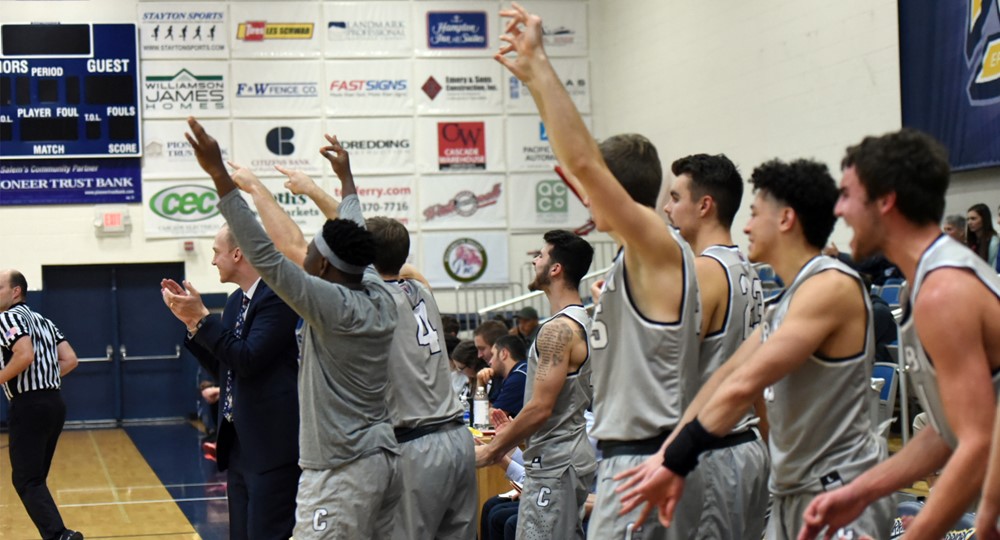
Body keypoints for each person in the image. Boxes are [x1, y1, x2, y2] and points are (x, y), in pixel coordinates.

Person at [495, 5, 705, 537]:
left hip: (649, 454)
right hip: (622, 455)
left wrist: (540, 66)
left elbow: (583, 163)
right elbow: (581, 165)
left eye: (594, 188)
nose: (584, 196)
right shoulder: (627, 258)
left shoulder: (659, 247)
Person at [616, 158, 891, 539]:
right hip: (794, 485)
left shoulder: (831, 285)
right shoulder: (786, 301)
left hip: (839, 487)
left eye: (754, 214)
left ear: (785, 220)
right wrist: (668, 454)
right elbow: (726, 373)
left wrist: (676, 459)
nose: (744, 226)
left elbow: (746, 382)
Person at [230, 138, 476, 540]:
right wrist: (327, 187)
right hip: (455, 439)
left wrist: (257, 190)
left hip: (411, 447)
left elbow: (292, 249)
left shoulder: (357, 304)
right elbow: (358, 239)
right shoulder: (420, 287)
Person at [185, 117, 401, 538]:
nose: (303, 250)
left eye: (311, 248)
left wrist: (220, 178)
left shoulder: (330, 304)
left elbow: (264, 253)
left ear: (322, 266)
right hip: (380, 455)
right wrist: (346, 179)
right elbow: (354, 230)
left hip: (341, 465)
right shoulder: (374, 287)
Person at [798, 129, 1000, 539]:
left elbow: (976, 445)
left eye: (847, 195)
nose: (838, 209)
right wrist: (860, 491)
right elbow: (948, 430)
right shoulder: (927, 281)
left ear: (885, 201)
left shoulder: (942, 291)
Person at [161, 224, 301, 540]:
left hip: (271, 446)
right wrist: (193, 326)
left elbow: (248, 359)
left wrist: (203, 319)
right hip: (239, 442)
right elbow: (226, 366)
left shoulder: (278, 296)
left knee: (267, 533)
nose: (212, 261)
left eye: (215, 252)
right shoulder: (236, 300)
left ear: (237, 253)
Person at [663, 154, 770, 540]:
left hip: (711, 450)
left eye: (675, 197)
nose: (667, 207)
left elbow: (670, 374)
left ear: (704, 205)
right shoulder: (747, 267)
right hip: (747, 444)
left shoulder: (703, 271)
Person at [475, 229, 597, 539]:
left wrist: (491, 452)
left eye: (540, 256)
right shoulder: (581, 320)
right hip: (564, 456)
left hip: (557, 461)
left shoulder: (558, 330)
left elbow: (541, 408)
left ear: (556, 269)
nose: (534, 260)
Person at [0, 269, 83, 540]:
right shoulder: (44, 321)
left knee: (26, 480)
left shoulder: (6, 318)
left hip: (29, 405)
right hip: (53, 402)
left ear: (15, 291)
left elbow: (24, 354)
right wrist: (45, 378)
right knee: (34, 478)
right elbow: (70, 359)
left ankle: (59, 535)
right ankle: (58, 535)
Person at [485, 335, 529, 418]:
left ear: (503, 354)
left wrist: (480, 385)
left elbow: (491, 418)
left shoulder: (519, 377)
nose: (490, 362)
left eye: (493, 355)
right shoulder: (516, 373)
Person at [967, 202, 999, 268]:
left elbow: (993, 268)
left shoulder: (993, 241)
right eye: (968, 219)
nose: (969, 222)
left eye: (973, 219)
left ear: (984, 219)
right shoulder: (972, 241)